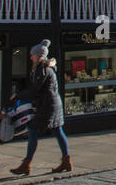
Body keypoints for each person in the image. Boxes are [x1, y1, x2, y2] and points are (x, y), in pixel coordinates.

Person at [10, 41, 72, 176]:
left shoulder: (42, 70)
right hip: (53, 103)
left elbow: (35, 89)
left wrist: (17, 96)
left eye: (32, 55)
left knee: (32, 129)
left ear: (38, 56)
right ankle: (66, 161)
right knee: (57, 130)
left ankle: (26, 164)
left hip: (48, 105)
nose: (31, 57)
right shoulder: (44, 68)